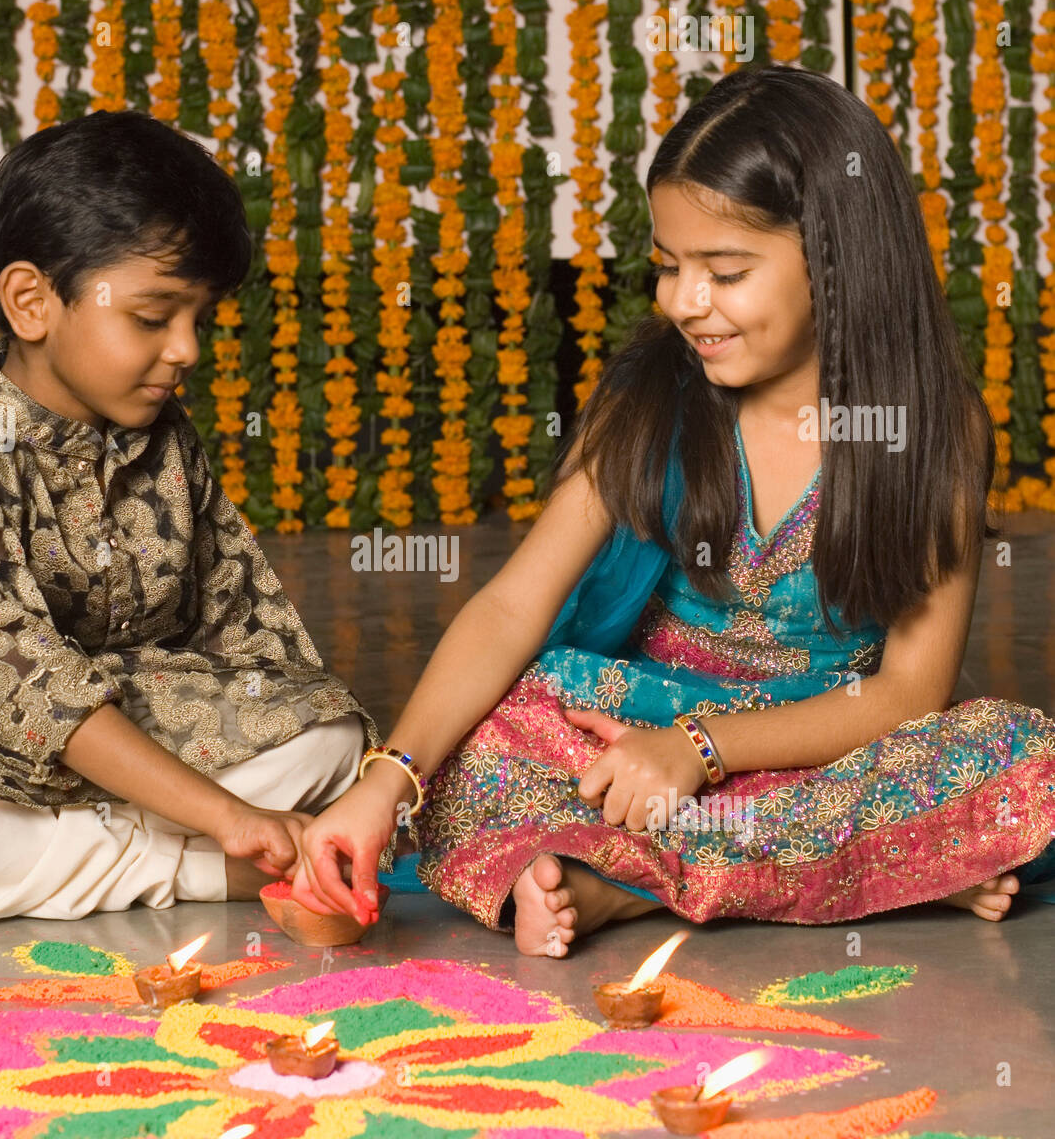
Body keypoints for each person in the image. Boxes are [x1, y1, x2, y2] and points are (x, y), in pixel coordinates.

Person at [292, 63, 1055, 954]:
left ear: (836, 259)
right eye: (667, 266)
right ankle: (891, 869)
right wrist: (389, 779)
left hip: (822, 738)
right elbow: (511, 609)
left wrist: (701, 752)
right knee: (488, 743)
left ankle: (628, 886)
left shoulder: (932, 426)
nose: (685, 303)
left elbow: (907, 693)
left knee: (1021, 759)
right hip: (634, 728)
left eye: (725, 271)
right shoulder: (652, 397)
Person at [0, 109, 379, 925]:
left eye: (201, 319)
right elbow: (30, 689)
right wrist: (229, 820)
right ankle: (190, 873)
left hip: (148, 724)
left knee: (330, 739)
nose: (187, 349)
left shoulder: (168, 444)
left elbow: (247, 639)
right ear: (31, 301)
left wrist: (309, 743)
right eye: (153, 318)